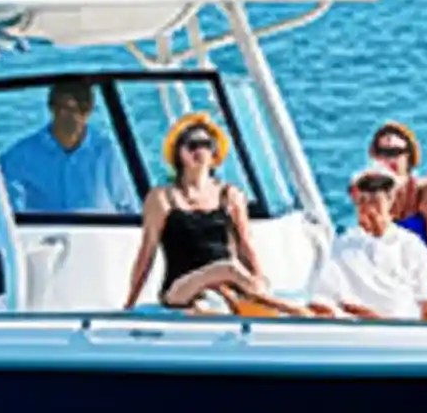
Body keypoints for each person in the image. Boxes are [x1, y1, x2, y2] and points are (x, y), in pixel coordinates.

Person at [123, 112, 308, 315]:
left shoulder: (230, 196)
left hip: (224, 284)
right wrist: (130, 303)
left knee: (228, 283)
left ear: (214, 152)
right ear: (179, 152)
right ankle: (293, 310)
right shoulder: (162, 198)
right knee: (227, 268)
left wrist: (257, 278)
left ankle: (277, 307)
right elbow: (146, 253)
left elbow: (245, 245)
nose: (199, 151)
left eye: (206, 144)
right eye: (192, 144)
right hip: (181, 288)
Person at [0, 79, 139, 230]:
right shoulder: (26, 153)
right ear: (52, 108)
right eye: (65, 108)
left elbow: (127, 205)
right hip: (47, 245)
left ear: (89, 112)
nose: (72, 116)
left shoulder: (105, 152)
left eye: (79, 109)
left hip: (101, 246)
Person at [307, 163, 427, 322]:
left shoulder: (409, 245)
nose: (368, 207)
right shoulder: (342, 246)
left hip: (407, 332)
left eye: (375, 199)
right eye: (362, 200)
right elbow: (321, 302)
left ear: (390, 200)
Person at [366, 121, 427, 309]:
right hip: (388, 293)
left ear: (409, 156)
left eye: (396, 152)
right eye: (382, 152)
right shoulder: (374, 201)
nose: (389, 159)